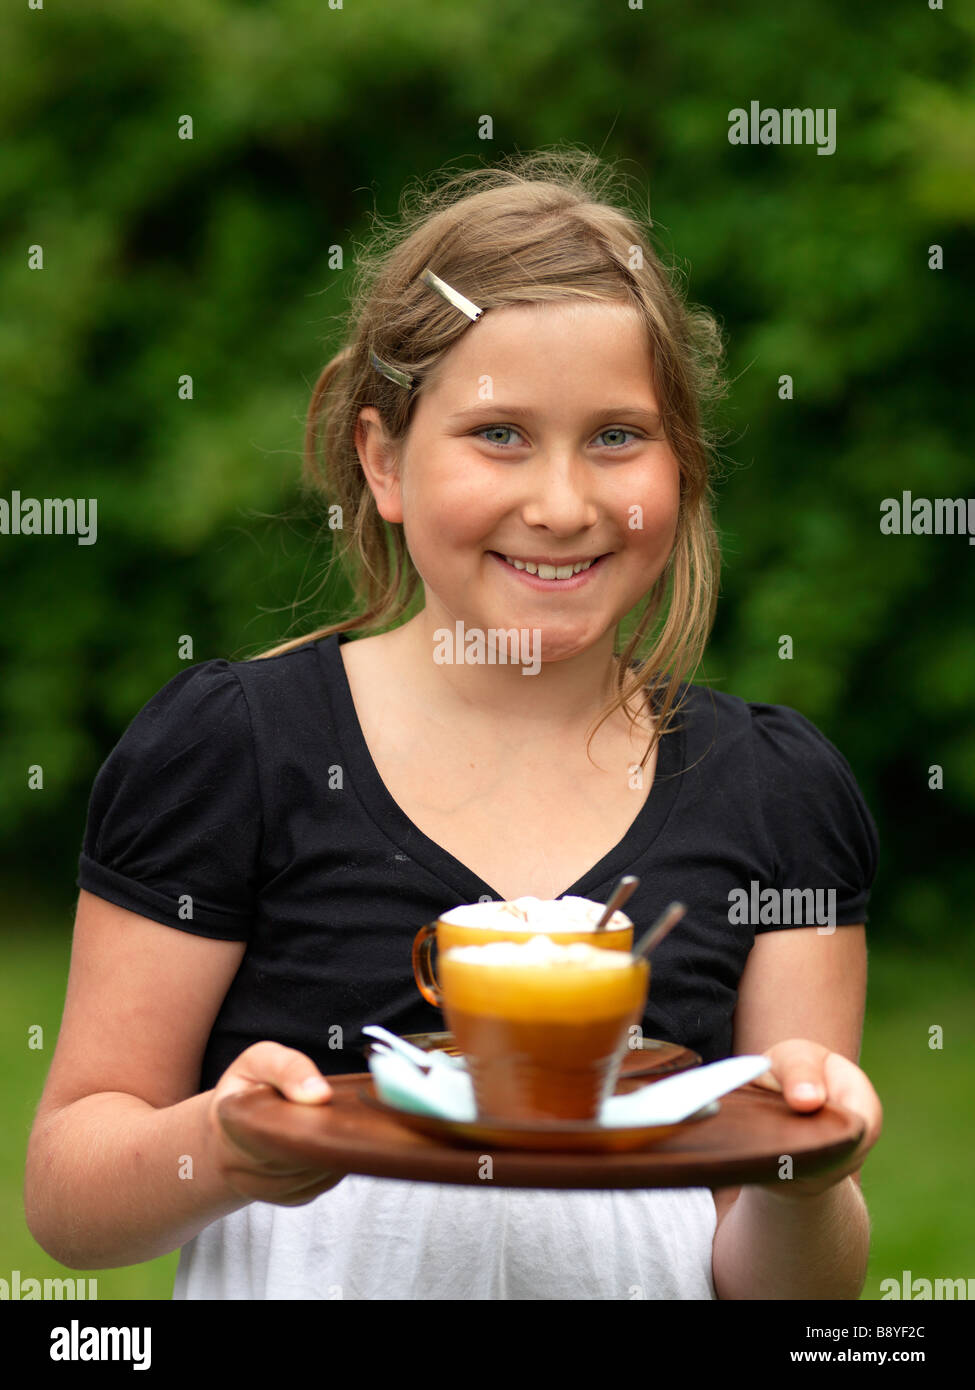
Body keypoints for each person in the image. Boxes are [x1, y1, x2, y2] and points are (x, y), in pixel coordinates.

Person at [24, 149, 882, 1300]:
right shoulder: (236, 750)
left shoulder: (775, 794)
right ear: (383, 459)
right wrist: (223, 1144)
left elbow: (790, 1294)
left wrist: (809, 1179)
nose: (565, 503)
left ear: (682, 467)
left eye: (618, 436)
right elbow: (68, 1195)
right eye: (500, 435)